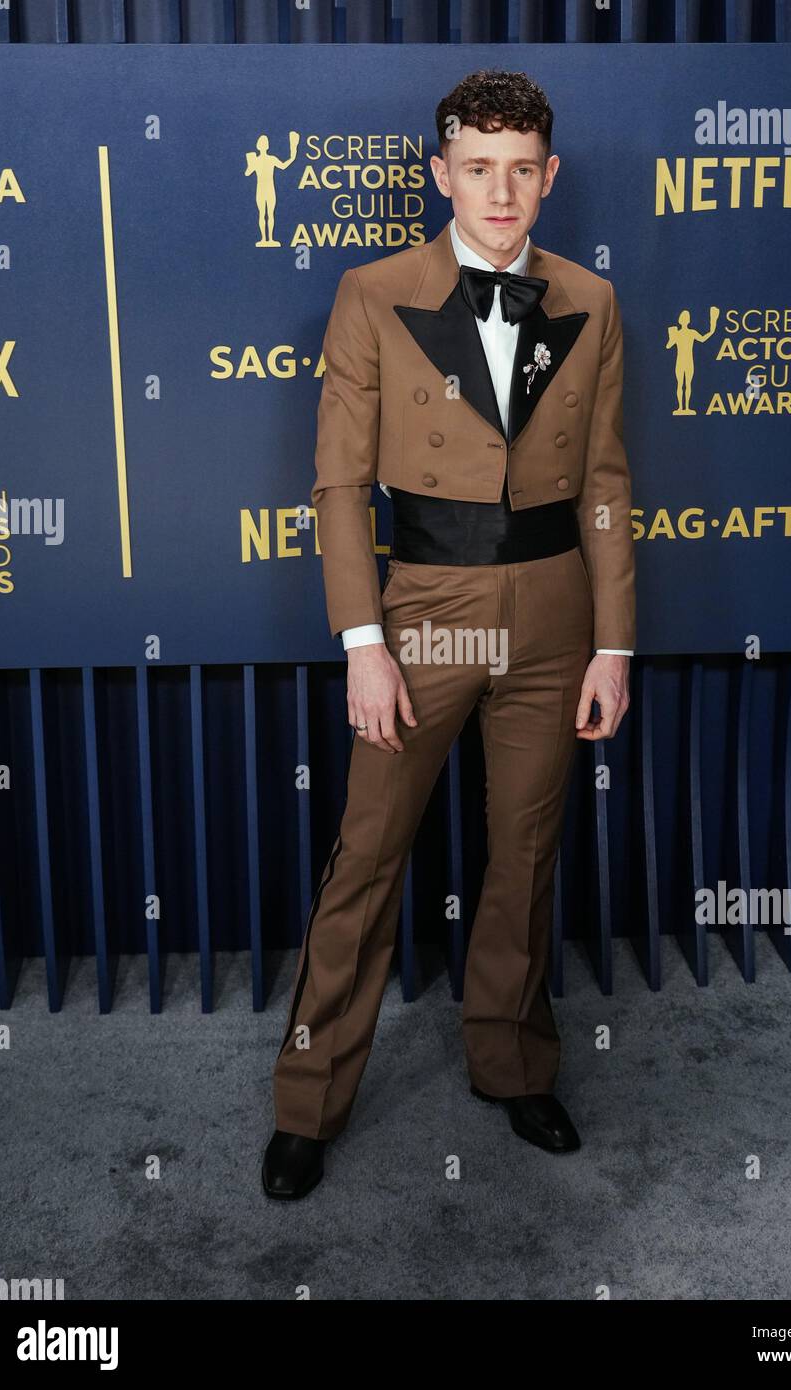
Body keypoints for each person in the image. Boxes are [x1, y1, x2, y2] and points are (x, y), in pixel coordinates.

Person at [262, 68, 635, 1200]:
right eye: (479, 167)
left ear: (550, 174)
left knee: (525, 854)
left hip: (557, 612)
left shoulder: (592, 300)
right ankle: (310, 1099)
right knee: (368, 859)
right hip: (424, 611)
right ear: (443, 174)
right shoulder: (374, 291)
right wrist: (361, 641)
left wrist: (613, 643)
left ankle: (512, 1063)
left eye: (522, 168)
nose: (502, 189)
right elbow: (337, 488)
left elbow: (608, 481)